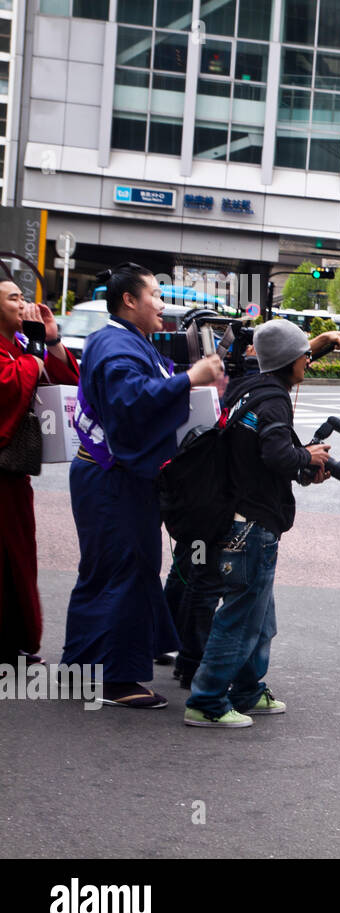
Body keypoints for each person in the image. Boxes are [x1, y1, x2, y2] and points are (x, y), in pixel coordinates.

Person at [62, 264, 224, 708]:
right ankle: (116, 679)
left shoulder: (123, 340)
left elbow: (148, 390)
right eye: (154, 294)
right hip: (112, 477)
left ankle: (81, 670)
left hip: (109, 475)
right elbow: (131, 402)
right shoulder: (117, 344)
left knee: (103, 572)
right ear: (129, 301)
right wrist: (191, 380)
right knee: (126, 571)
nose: (162, 303)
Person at [167, 324, 340, 689]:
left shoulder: (246, 387)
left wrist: (303, 467)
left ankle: (241, 686)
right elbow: (277, 453)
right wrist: (305, 455)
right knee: (242, 617)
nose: (308, 361)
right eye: (304, 356)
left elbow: (259, 454)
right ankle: (207, 697)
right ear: (290, 359)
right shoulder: (275, 399)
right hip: (250, 523)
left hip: (217, 508)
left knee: (251, 612)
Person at [0, 284, 79, 667]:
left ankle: (14, 643)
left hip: (13, 477)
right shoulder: (14, 348)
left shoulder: (17, 343)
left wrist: (50, 341)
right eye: (13, 297)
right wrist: (32, 355)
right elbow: (7, 389)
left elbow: (63, 386)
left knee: (17, 559)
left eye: (22, 297)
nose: (23, 303)